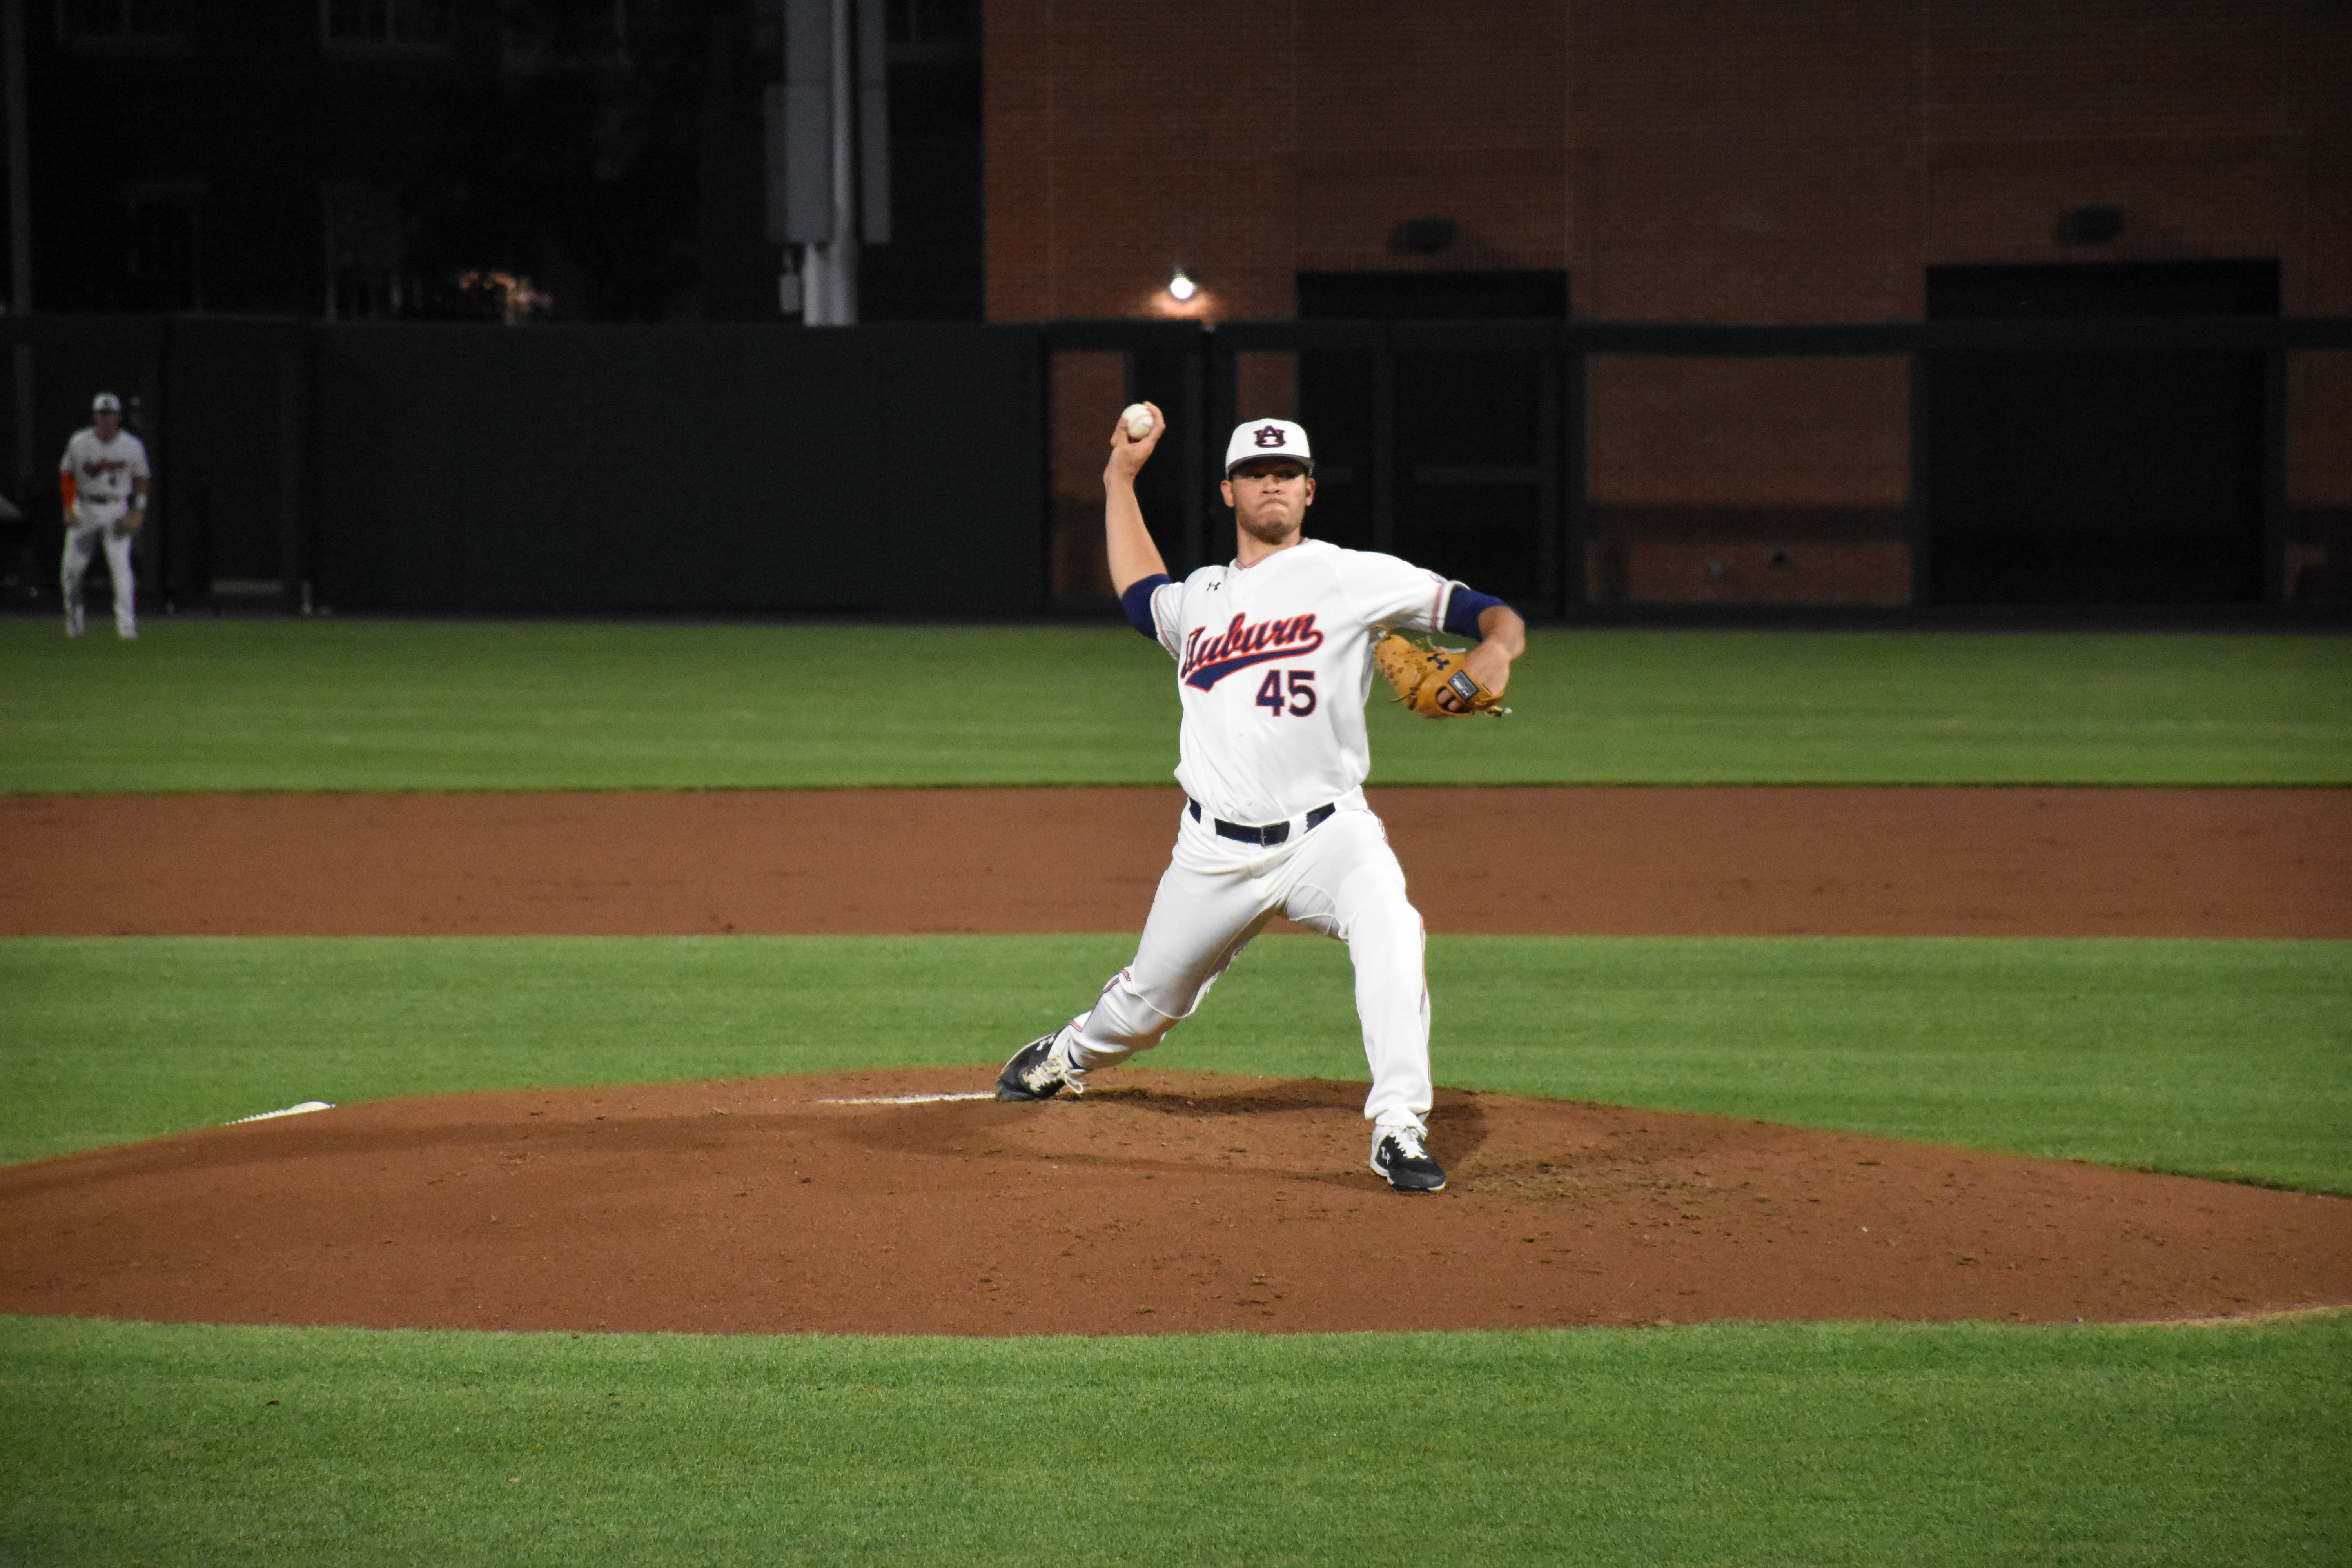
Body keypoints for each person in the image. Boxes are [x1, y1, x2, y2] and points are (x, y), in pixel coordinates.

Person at [995, 405, 1527, 1192]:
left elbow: (1488, 609)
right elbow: (1141, 593)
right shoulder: (1201, 598)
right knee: (1147, 1005)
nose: (1270, 483)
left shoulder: (1352, 573)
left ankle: (1400, 1126)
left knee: (1391, 921)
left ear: (1309, 490)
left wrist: (1496, 648)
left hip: (1328, 833)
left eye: (1285, 473)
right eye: (1254, 473)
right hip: (1213, 849)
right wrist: (1118, 478)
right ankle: (1069, 1053)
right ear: (1228, 492)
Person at [58, 391, 151, 639]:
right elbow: (67, 474)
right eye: (102, 414)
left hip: (115, 508)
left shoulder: (131, 446)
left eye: (111, 414)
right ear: (95, 416)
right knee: (72, 571)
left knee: (121, 571)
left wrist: (139, 508)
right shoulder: (80, 442)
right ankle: (75, 624)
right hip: (85, 507)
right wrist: (68, 506)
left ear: (118, 417)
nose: (107, 419)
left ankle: (127, 628)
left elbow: (142, 478)